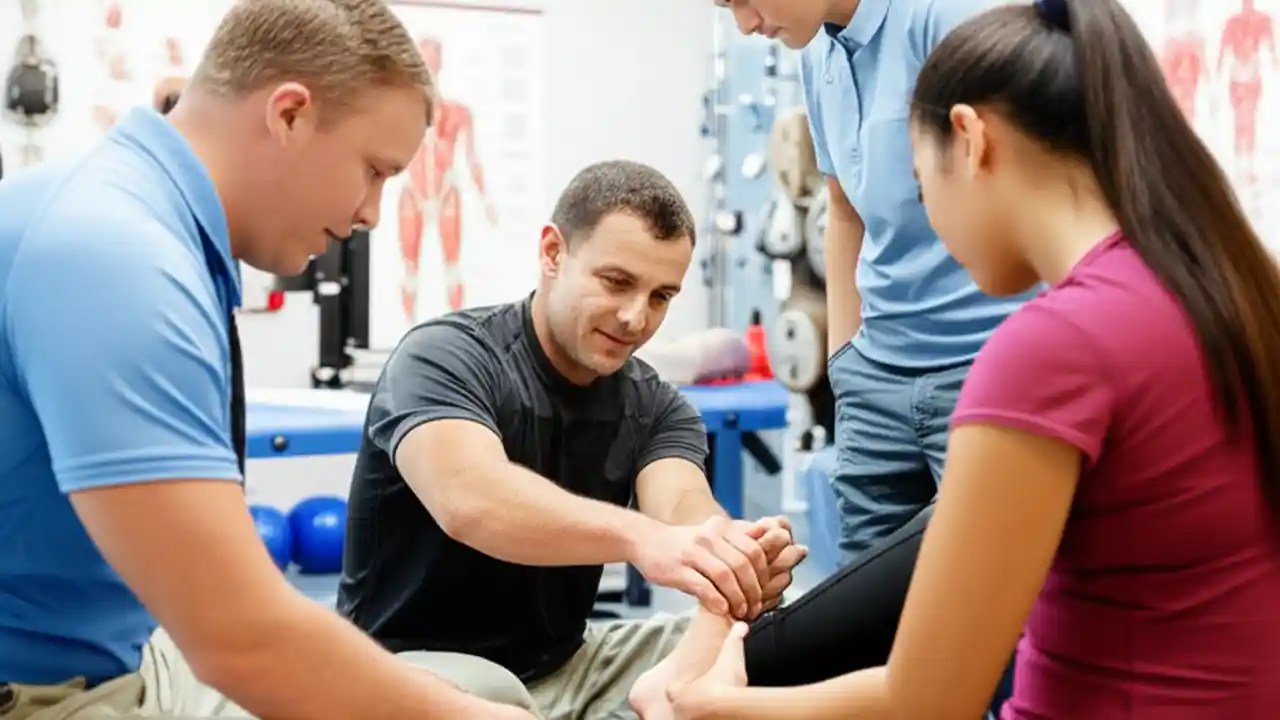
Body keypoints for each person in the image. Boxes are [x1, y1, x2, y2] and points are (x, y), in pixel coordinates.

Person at [647, 0, 1280, 717]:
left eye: (920, 184)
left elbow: (926, 698)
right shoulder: (1214, 287)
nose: (926, 225)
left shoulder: (1055, 348)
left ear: (971, 141)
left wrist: (710, 700)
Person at [0, 1, 540, 718]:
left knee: (489, 688)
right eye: (374, 172)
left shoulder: (139, 219)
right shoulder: (115, 258)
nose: (372, 215)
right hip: (44, 693)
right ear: (288, 114)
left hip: (130, 648)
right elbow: (238, 640)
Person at [338, 159, 808, 720]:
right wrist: (641, 539)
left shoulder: (656, 405)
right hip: (408, 675)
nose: (636, 317)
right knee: (493, 696)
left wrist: (734, 551)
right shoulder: (446, 356)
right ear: (553, 253)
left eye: (661, 296)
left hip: (572, 666)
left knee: (788, 640)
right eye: (616, 283)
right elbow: (470, 499)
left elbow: (682, 505)